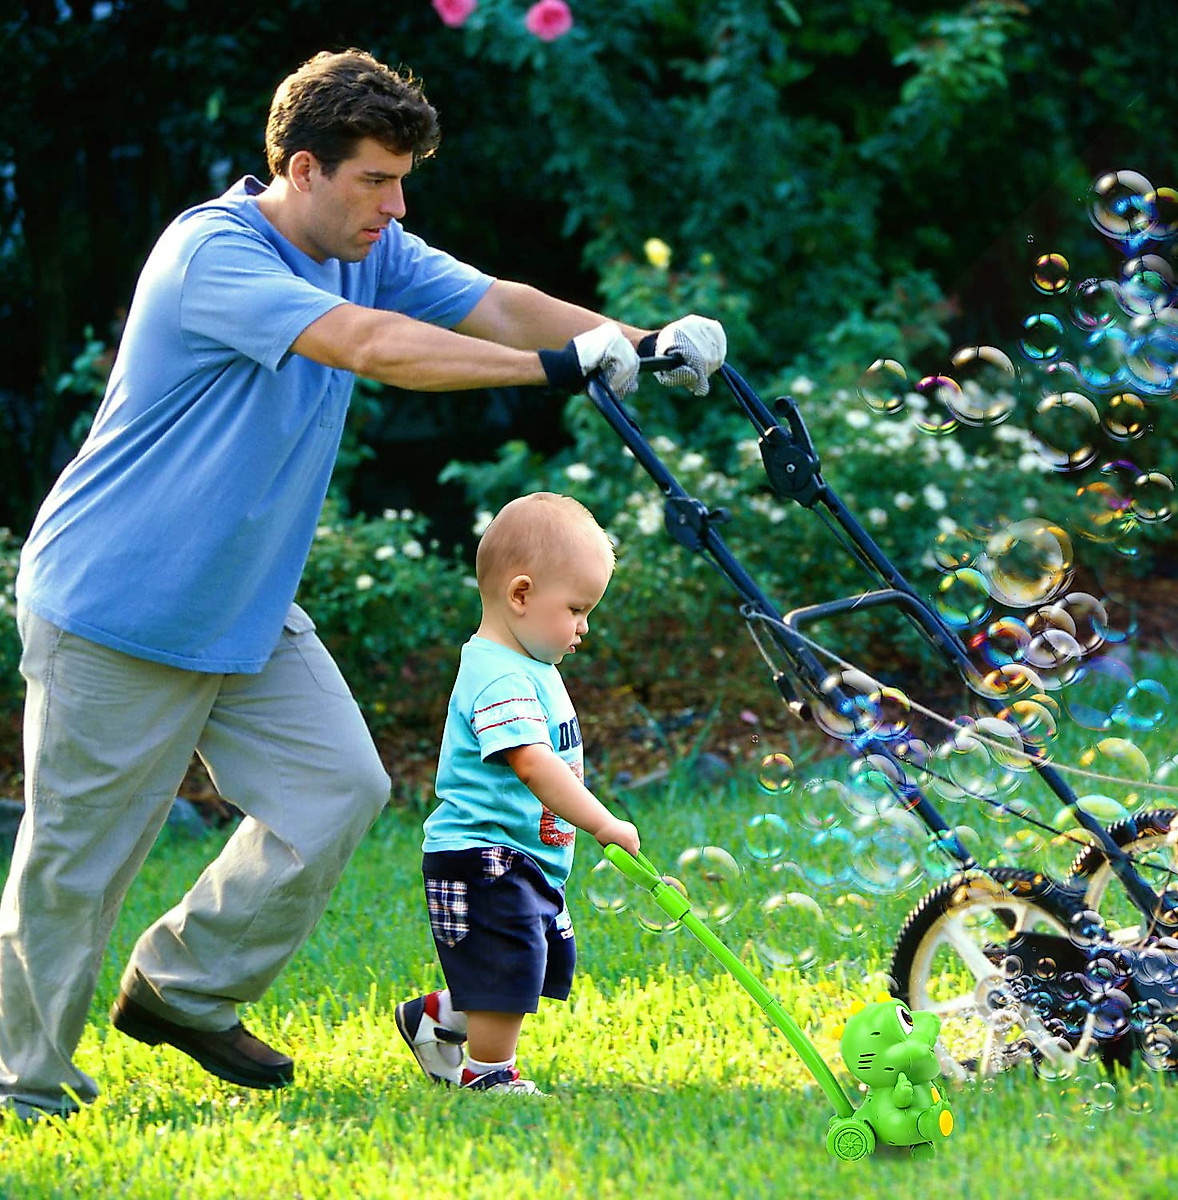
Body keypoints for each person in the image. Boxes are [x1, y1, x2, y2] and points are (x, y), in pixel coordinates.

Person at [0, 47, 725, 1120]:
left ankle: (182, 988)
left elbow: (498, 304)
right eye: (375, 181)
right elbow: (372, 347)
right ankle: (25, 1083)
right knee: (79, 860)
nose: (395, 206)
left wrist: (639, 341)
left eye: (402, 181)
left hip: (245, 603)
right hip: (120, 605)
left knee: (339, 786)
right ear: (303, 169)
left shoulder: (366, 247)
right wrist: (558, 370)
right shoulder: (214, 254)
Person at [396, 492, 638, 1095]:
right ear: (521, 595)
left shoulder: (532, 668)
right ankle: (489, 1076)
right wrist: (603, 823)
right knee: (508, 965)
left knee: (529, 963)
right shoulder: (499, 675)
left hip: (520, 856)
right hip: (483, 856)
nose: (584, 627)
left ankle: (436, 1017)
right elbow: (532, 765)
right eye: (577, 609)